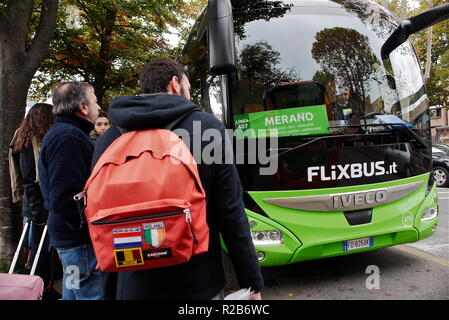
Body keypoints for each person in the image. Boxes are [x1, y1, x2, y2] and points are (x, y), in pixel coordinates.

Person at [93, 57, 264, 300]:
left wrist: (108, 291)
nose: (190, 94)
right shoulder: (206, 128)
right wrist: (251, 281)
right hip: (198, 282)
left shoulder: (108, 139)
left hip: (133, 284)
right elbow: (231, 211)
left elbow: (100, 216)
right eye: (189, 87)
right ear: (175, 84)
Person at [38, 81, 102, 300]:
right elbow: (64, 199)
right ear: (83, 107)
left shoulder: (66, 133)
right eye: (94, 101)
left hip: (70, 244)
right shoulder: (69, 138)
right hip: (78, 243)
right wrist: (85, 229)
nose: (99, 107)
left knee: (73, 290)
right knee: (87, 293)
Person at [9, 103, 62, 300]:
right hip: (36, 209)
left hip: (38, 207)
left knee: (45, 251)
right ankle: (40, 290)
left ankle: (45, 286)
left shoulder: (35, 141)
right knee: (38, 252)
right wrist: (39, 213)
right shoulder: (27, 145)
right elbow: (29, 182)